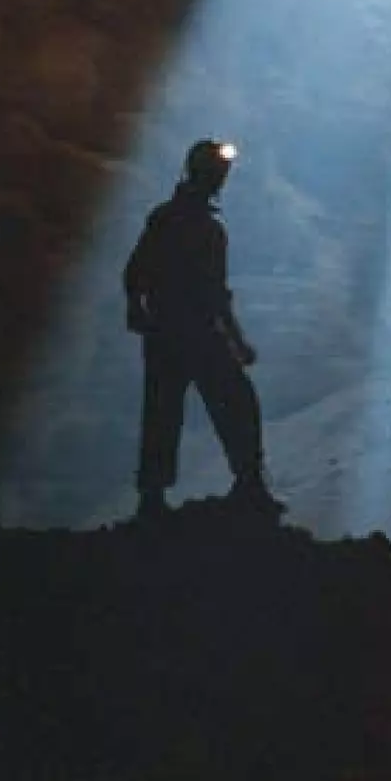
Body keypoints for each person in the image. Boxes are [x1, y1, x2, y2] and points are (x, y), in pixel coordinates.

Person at [122, 138, 283, 522]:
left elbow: (135, 273)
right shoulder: (206, 230)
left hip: (164, 332)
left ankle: (153, 498)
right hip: (196, 332)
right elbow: (213, 293)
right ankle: (249, 485)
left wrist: (136, 308)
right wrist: (237, 340)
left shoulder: (165, 219)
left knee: (163, 411)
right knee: (236, 401)